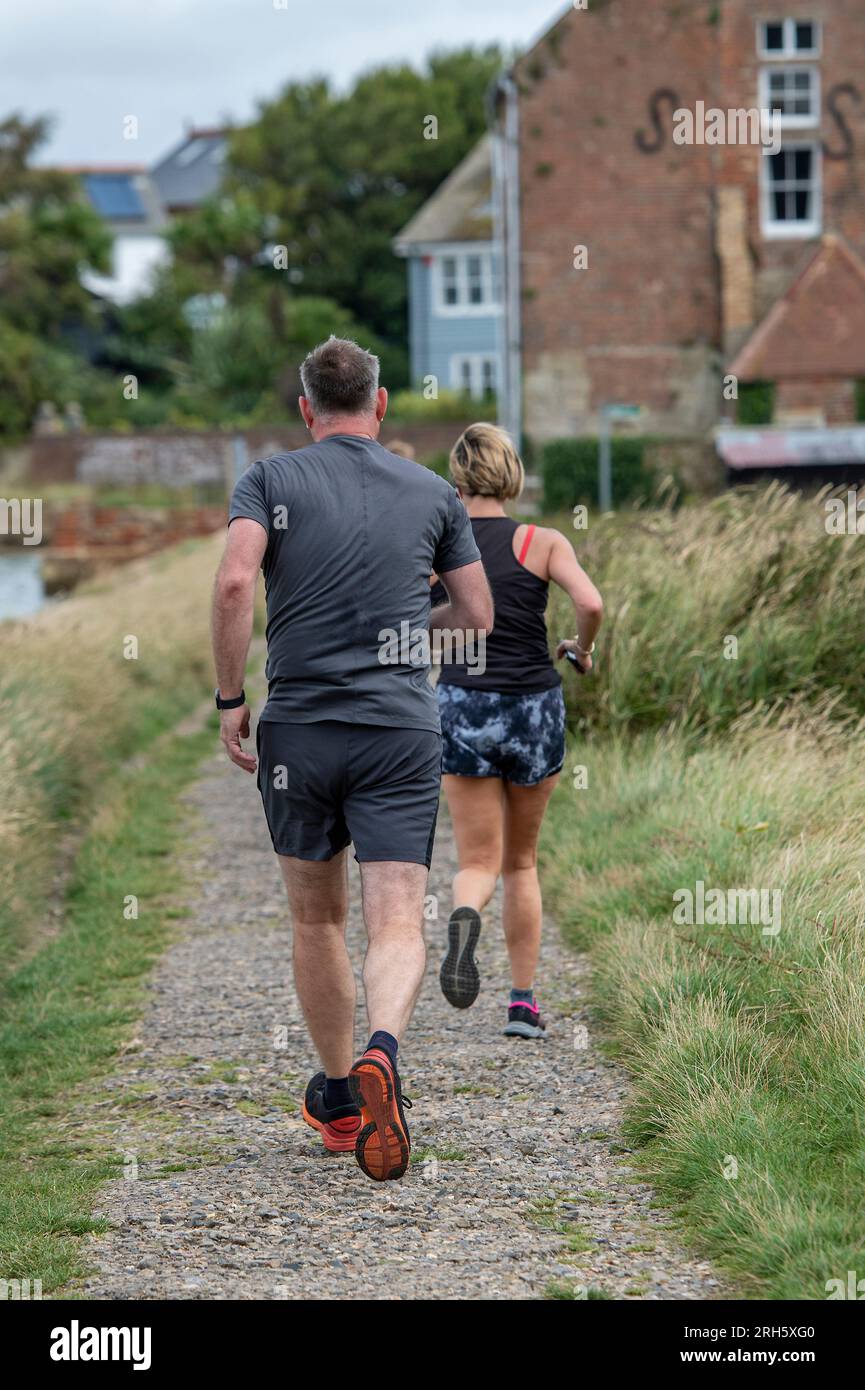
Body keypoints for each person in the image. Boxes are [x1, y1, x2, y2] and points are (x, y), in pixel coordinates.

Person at [211, 338, 492, 1180]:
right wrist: (406, 635)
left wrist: (232, 702)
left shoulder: (267, 481)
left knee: (316, 918)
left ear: (306, 410)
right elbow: (475, 616)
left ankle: (339, 1102)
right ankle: (383, 1053)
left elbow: (232, 585)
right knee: (398, 915)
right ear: (380, 406)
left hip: (297, 728)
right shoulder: (433, 490)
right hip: (400, 730)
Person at [432, 423, 603, 1038]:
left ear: (457, 479)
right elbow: (591, 604)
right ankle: (524, 1005)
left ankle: (461, 912)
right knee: (521, 863)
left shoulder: (442, 543)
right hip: (534, 705)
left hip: (462, 704)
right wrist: (581, 651)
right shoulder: (541, 540)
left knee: (477, 857)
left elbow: (410, 613)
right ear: (512, 475)